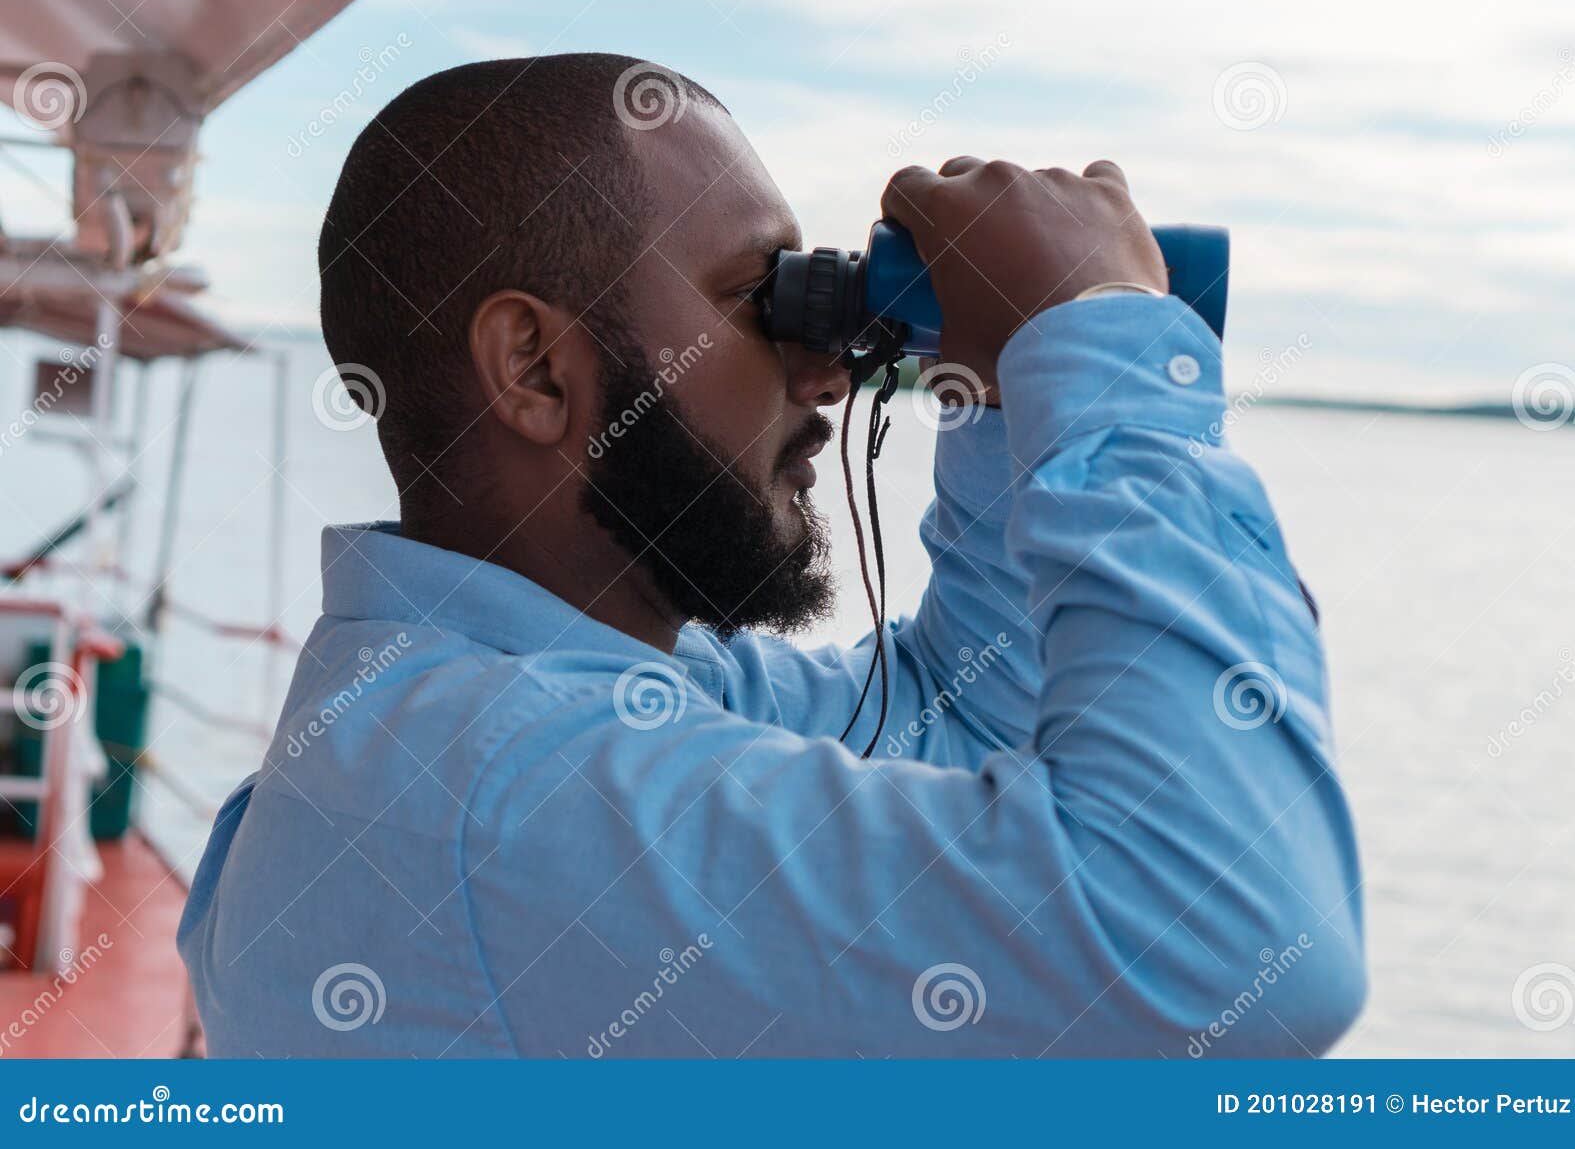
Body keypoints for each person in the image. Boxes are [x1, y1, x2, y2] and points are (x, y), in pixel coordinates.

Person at [179, 53, 1365, 1057]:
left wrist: (1012, 388)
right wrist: (1103, 356)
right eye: (763, 297)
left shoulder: (530, 700)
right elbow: (1240, 946)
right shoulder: (498, 791)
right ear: (534, 369)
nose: (827, 370)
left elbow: (973, 724)